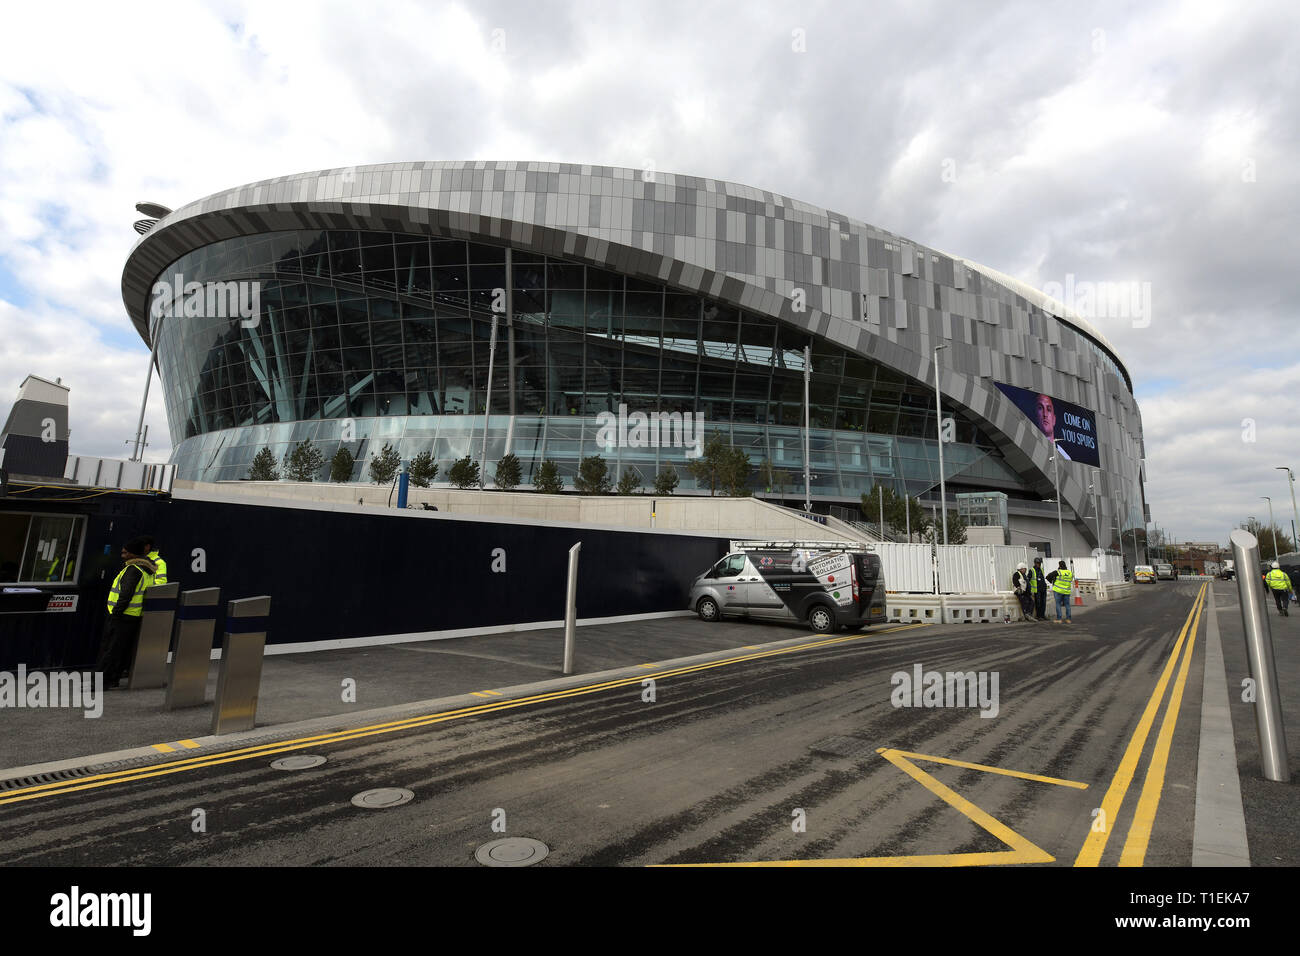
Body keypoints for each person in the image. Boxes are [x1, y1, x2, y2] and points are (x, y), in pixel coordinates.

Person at [95, 537, 158, 688]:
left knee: (109, 650)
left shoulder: (133, 570)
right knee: (121, 650)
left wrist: (116, 613)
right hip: (133, 616)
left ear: (133, 554)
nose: (122, 555)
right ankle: (113, 679)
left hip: (121, 615)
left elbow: (125, 594)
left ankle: (100, 682)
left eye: (125, 553)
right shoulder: (146, 570)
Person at [1046, 560, 1074, 624]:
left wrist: (1052, 581)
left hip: (1058, 591)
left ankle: (1059, 619)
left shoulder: (1058, 572)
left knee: (1058, 604)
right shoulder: (1070, 573)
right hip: (1066, 591)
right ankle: (1068, 619)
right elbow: (1070, 579)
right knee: (1067, 605)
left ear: (1059, 566)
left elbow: (1048, 576)